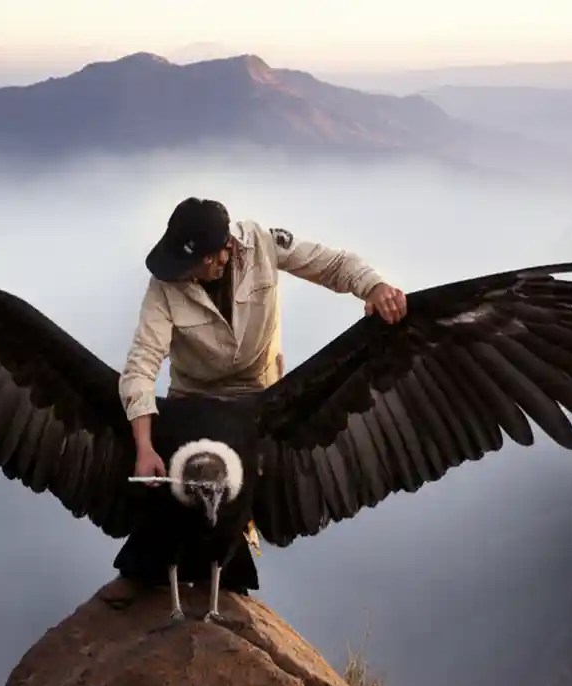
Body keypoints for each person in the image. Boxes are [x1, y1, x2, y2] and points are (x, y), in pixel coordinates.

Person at [118, 197, 407, 550]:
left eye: (194, 263)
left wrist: (374, 287)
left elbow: (332, 264)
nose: (184, 271)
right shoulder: (164, 286)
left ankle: (239, 559)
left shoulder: (264, 245)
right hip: (196, 403)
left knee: (245, 505)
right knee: (184, 507)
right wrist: (144, 446)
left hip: (260, 399)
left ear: (222, 253)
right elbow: (142, 364)